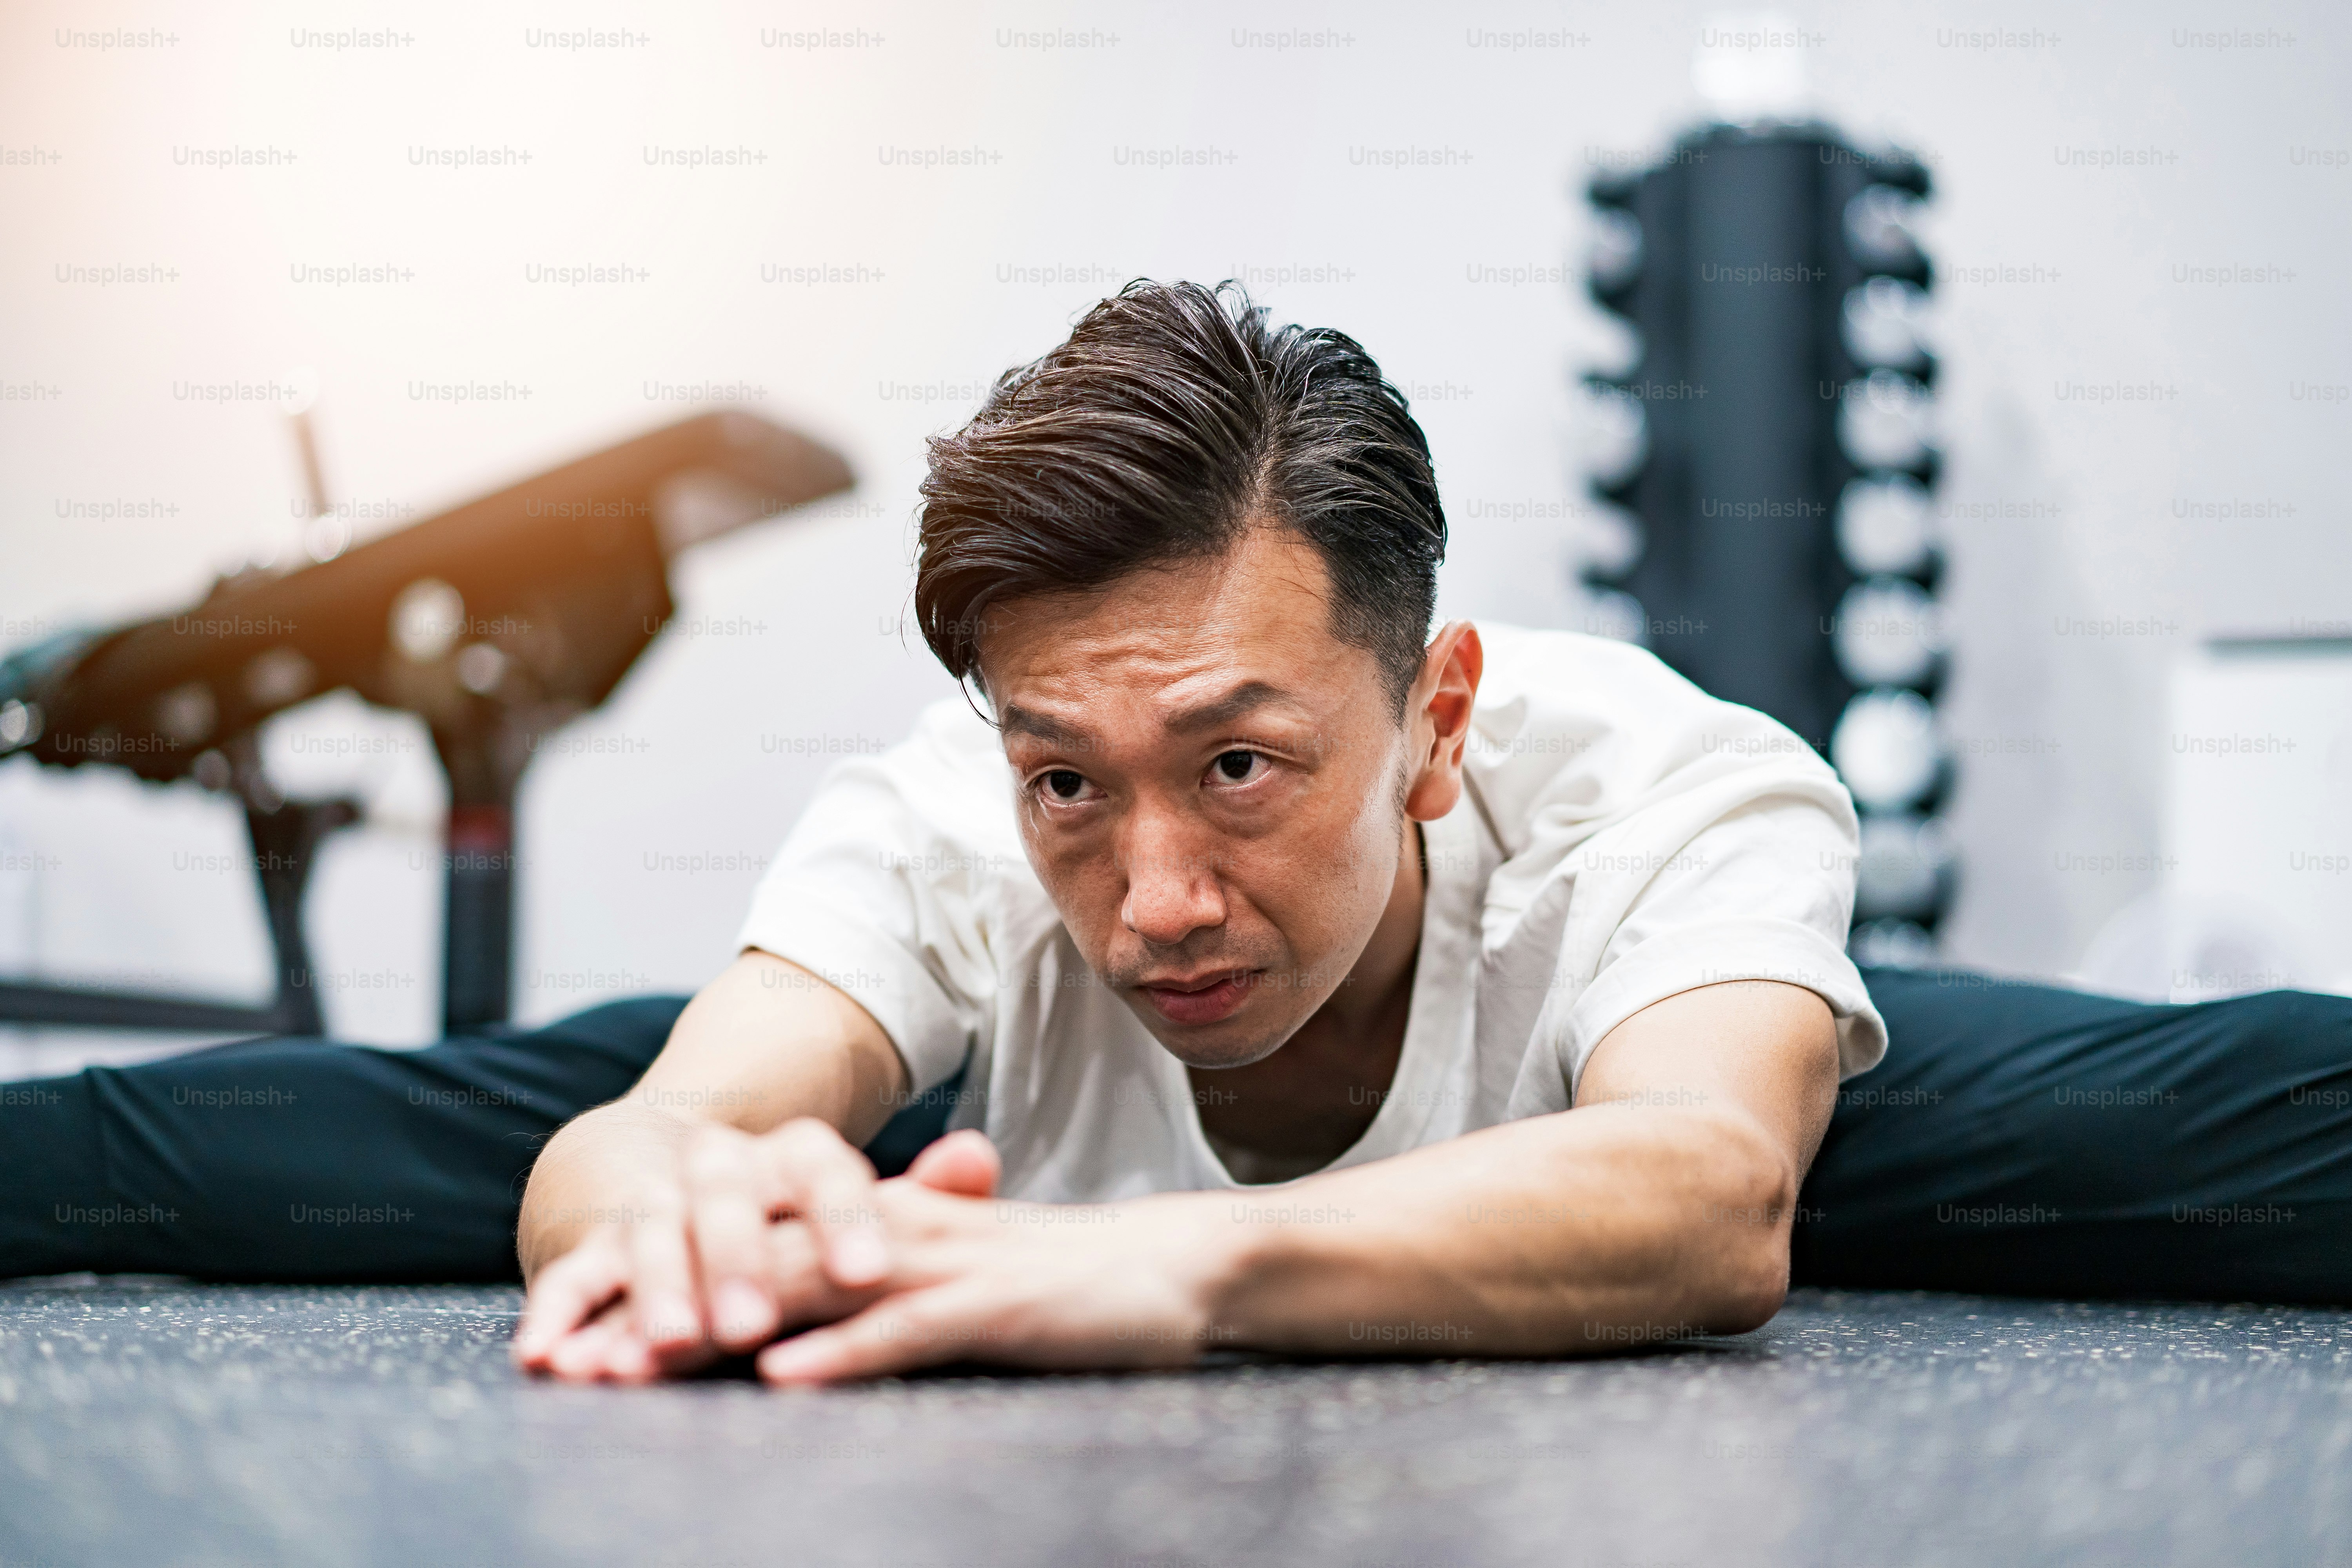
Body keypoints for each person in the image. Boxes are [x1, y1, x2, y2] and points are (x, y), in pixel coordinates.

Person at [4, 283, 2347, 1384]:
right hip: (991, 1118)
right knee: (357, 1127)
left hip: (1664, 1054)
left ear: (1436, 718)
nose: (1153, 899)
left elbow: (1708, 1199)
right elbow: (624, 1146)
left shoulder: (1667, 783)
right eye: (1067, 786)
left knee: (2234, 1114)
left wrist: (1140, 1272)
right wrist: (711, 1216)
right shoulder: (955, 821)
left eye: (1242, 767)